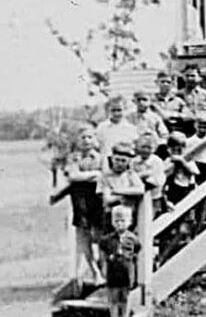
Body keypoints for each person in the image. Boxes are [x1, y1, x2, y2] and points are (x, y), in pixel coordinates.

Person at [65, 127, 104, 283]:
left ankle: (104, 270)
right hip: (80, 198)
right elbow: (74, 176)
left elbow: (104, 175)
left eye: (90, 137)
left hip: (97, 197)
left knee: (100, 234)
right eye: (83, 137)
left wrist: (85, 177)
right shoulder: (74, 158)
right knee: (84, 235)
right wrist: (93, 175)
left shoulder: (100, 157)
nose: (87, 141)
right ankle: (95, 273)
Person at [99, 205, 140, 317]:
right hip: (113, 272)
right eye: (116, 221)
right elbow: (102, 251)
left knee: (125, 297)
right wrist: (103, 267)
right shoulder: (107, 239)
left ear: (130, 222)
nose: (119, 224)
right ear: (112, 222)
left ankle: (125, 315)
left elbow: (137, 250)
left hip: (126, 272)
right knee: (113, 298)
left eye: (123, 221)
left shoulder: (132, 239)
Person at [97, 142, 144, 211]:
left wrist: (115, 191)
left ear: (128, 161)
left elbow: (140, 190)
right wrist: (127, 195)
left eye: (123, 161)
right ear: (112, 158)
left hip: (129, 212)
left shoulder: (131, 175)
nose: (120, 163)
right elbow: (108, 199)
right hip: (110, 212)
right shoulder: (105, 176)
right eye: (117, 160)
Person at [163, 131, 199, 208]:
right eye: (174, 149)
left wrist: (182, 162)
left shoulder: (187, 160)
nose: (177, 152)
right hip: (172, 189)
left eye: (180, 149)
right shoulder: (168, 160)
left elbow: (196, 172)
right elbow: (163, 173)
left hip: (186, 188)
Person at [132, 132, 166, 209]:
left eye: (149, 148)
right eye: (143, 147)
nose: (145, 150)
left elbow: (158, 181)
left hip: (154, 197)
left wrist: (143, 176)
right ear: (138, 147)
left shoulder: (157, 161)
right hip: (137, 196)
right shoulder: (134, 162)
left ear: (154, 149)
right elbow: (131, 177)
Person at [152, 72, 191, 136]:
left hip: (176, 132)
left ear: (172, 84)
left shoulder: (178, 101)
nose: (165, 84)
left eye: (168, 82)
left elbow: (189, 116)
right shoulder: (152, 100)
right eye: (162, 82)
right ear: (157, 82)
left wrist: (174, 115)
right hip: (157, 133)